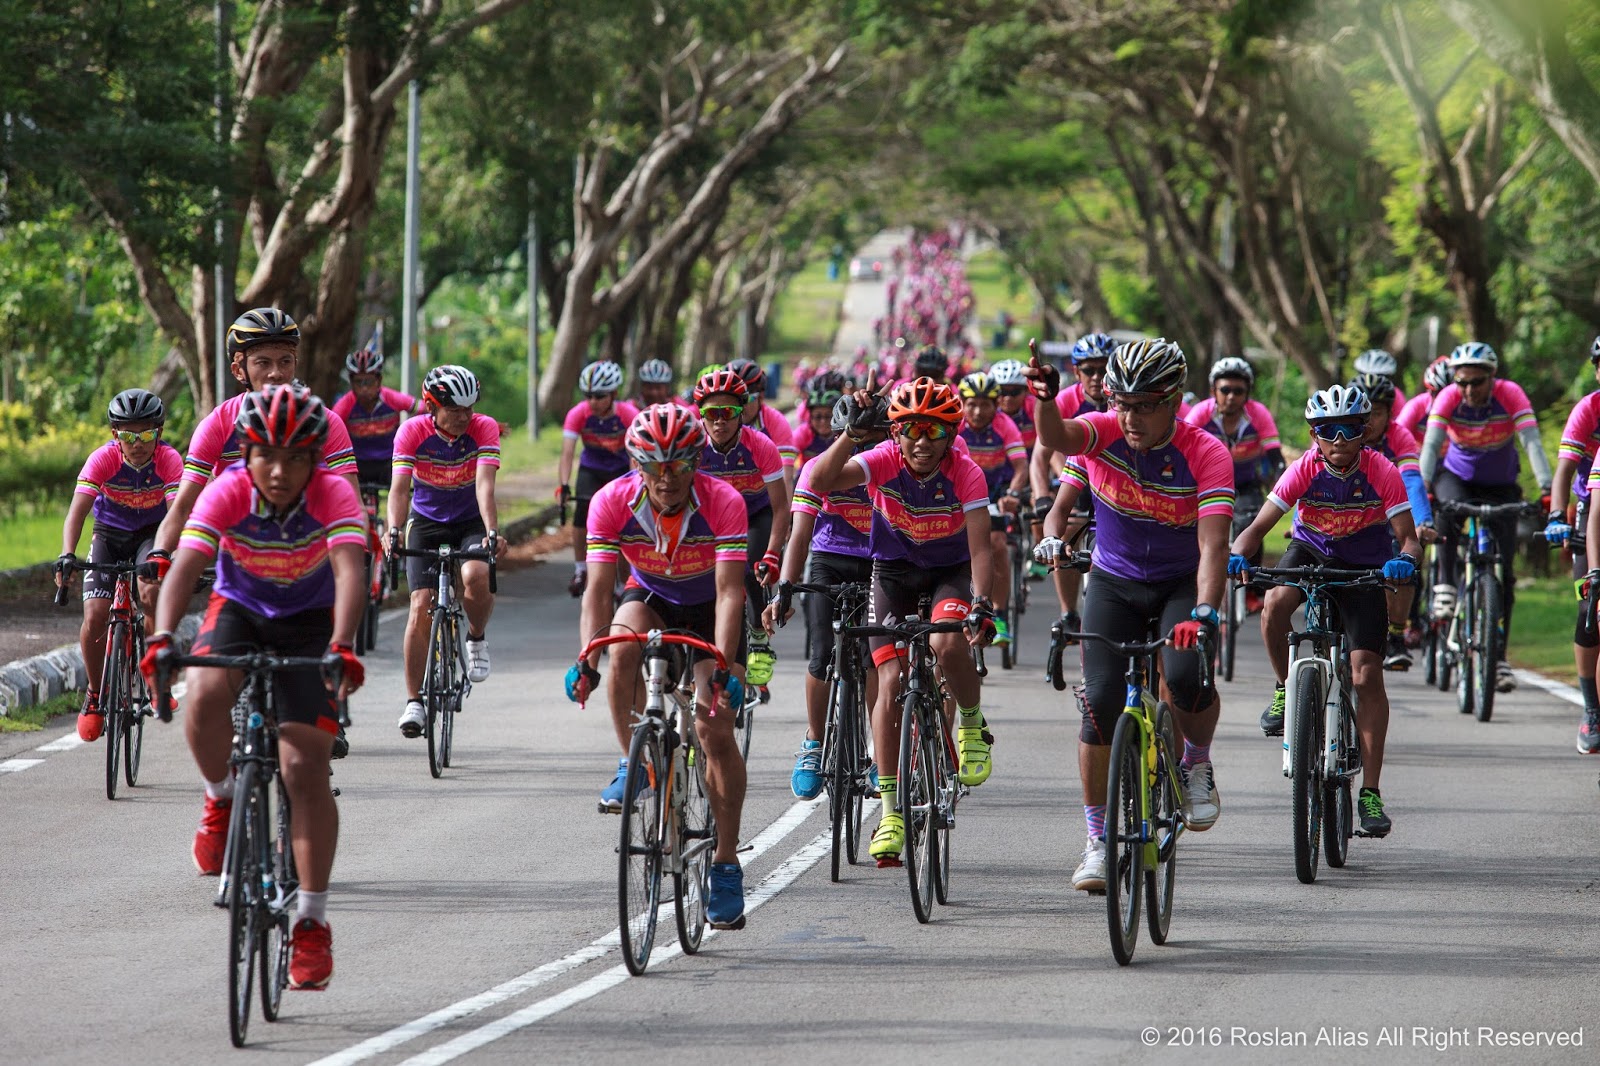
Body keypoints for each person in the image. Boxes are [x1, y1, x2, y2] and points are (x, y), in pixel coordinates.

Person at [141, 384, 366, 990]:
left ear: (315, 460)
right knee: (206, 693)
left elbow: (350, 572)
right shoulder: (227, 490)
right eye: (268, 454)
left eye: (297, 458)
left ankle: (312, 925)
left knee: (303, 769)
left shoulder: (335, 495)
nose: (281, 470)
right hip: (240, 607)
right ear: (247, 453)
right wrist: (163, 636)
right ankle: (220, 796)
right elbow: (186, 569)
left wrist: (342, 644)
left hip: (312, 623)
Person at [1028, 338, 1231, 891]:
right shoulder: (1105, 431)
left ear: (1175, 401)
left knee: (1186, 676)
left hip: (1179, 585)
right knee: (1097, 705)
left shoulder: (1206, 452)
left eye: (1146, 405)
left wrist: (1207, 611)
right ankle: (1097, 840)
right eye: (1123, 403)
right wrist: (1046, 399)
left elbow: (1214, 547)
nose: (1132, 417)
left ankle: (1196, 761)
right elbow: (1057, 437)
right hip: (1114, 583)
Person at [565, 405, 752, 929]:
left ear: (697, 461)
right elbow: (599, 592)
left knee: (713, 727)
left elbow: (729, 591)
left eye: (678, 466)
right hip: (650, 595)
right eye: (653, 465)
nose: (666, 479)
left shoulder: (724, 502)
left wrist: (720, 666)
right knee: (621, 645)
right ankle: (635, 763)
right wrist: (587, 658)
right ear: (635, 463)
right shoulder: (610, 502)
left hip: (711, 609)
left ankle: (727, 862)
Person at [805, 376, 997, 865]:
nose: (921, 442)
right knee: (888, 682)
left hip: (949, 572)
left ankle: (971, 725)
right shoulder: (883, 460)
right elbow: (820, 481)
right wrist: (852, 433)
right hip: (892, 572)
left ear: (950, 436)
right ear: (895, 433)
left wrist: (982, 603)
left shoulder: (966, 473)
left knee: (949, 647)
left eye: (933, 432)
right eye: (910, 430)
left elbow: (980, 548)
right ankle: (891, 813)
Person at [1231, 384, 1421, 838]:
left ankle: (1370, 793)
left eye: (1349, 429)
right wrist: (1238, 554)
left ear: (1364, 433)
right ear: (1314, 435)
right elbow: (1257, 528)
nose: (1339, 440)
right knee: (1275, 602)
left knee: (1365, 675)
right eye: (1327, 431)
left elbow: (1410, 538)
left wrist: (1405, 560)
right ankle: (1283, 689)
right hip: (1310, 550)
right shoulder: (1303, 469)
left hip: (1364, 560)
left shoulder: (1382, 470)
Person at [152, 308, 359, 558]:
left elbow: (351, 503)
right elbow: (183, 507)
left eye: (285, 361)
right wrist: (159, 553)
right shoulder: (217, 424)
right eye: (263, 362)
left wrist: (357, 550)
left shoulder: (328, 422)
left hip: (305, 546)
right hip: (237, 547)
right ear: (239, 370)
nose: (276, 373)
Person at [764, 395, 890, 799]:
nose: (859, 448)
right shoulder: (817, 470)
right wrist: (785, 587)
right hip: (829, 561)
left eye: (871, 439)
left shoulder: (888, 467)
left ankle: (878, 752)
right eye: (849, 437)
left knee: (875, 656)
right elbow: (799, 534)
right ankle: (814, 743)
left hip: (878, 563)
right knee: (821, 653)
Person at [1419, 342, 1551, 693]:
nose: (1468, 390)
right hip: (1457, 478)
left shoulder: (1511, 395)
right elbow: (1431, 447)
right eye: (1462, 382)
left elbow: (1532, 442)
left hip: (1500, 484)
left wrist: (1548, 489)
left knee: (1504, 575)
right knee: (1446, 509)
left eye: (1476, 382)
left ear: (1492, 378)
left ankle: (1500, 657)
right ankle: (1446, 584)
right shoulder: (1448, 397)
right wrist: (1424, 488)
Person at [58, 389, 183, 742]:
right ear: (116, 436)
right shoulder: (102, 459)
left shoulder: (170, 460)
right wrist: (68, 554)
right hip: (109, 535)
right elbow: (77, 512)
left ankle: (157, 676)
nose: (138, 443)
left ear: (158, 433)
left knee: (152, 590)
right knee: (96, 615)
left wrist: (169, 553)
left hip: (151, 534)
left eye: (145, 434)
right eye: (128, 435)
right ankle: (95, 695)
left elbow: (178, 512)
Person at [390, 366, 506, 737]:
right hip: (425, 522)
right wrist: (392, 530)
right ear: (431, 406)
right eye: (455, 409)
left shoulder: (483, 428)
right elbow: (399, 490)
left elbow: (484, 487)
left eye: (469, 408)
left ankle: (475, 637)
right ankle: (414, 702)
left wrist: (491, 532)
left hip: (469, 519)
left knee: (475, 575)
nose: (464, 417)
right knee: (420, 603)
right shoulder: (411, 431)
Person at [693, 368, 791, 695]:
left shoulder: (760, 446)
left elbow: (781, 509)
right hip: (711, 520)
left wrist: (773, 556)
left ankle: (759, 639)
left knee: (750, 567)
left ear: (742, 414)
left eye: (729, 413)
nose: (720, 421)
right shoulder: (692, 448)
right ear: (701, 416)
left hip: (755, 515)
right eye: (712, 414)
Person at [1030, 332, 1114, 637]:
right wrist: (1042, 498)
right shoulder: (1065, 399)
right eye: (1088, 370)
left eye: (1103, 368)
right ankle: (1069, 612)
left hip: (1115, 487)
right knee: (1063, 531)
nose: (1096, 376)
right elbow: (1041, 456)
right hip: (1075, 479)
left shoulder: (1122, 402)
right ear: (1076, 372)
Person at [1185, 356, 1284, 611]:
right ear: (1213, 391)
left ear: (1247, 393)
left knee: (1253, 523)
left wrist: (1280, 477)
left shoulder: (1258, 414)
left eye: (1238, 391)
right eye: (1225, 390)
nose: (1231, 396)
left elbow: (1274, 453)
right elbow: (1182, 449)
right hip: (1205, 484)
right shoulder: (1199, 414)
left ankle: (1251, 589)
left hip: (1245, 483)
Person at [1351, 372, 1434, 673]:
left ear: (1389, 414)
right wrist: (1298, 522)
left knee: (1403, 564)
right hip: (1345, 515)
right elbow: (1309, 477)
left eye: (1378, 412)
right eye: (1366, 412)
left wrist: (1423, 521)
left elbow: (1412, 479)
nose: (1371, 420)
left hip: (1388, 511)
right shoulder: (1341, 434)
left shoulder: (1400, 436)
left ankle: (1396, 633)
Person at [1549, 336, 1600, 753]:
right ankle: (1591, 709)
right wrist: (1555, 515)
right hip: (1591, 507)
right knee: (1590, 608)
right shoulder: (1588, 408)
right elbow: (1565, 468)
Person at [957, 371, 1028, 646]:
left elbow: (1021, 467)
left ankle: (998, 614)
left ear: (995, 405)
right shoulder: (956, 425)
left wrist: (1012, 493)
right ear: (962, 404)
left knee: (997, 544)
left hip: (994, 495)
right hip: (960, 495)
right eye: (972, 403)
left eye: (985, 404)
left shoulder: (1004, 424)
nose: (978, 411)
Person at [558, 362, 639, 598]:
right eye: (588, 396)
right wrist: (564, 485)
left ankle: (626, 582)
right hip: (592, 468)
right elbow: (567, 453)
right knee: (582, 509)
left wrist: (634, 484)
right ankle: (580, 569)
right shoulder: (578, 414)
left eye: (600, 396)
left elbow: (636, 454)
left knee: (626, 523)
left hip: (621, 469)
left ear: (613, 394)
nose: (593, 401)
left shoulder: (628, 414)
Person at [331, 342, 423, 492]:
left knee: (402, 491)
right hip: (357, 464)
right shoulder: (345, 405)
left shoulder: (390, 397)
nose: (364, 388)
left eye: (369, 382)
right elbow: (329, 430)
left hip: (389, 463)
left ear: (379, 381)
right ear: (351, 383)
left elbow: (422, 408)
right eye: (358, 382)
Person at [728, 358, 798, 484]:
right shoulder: (714, 422)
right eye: (732, 400)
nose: (739, 407)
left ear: (761, 397)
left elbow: (785, 479)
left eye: (745, 400)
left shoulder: (775, 422)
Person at [792, 370, 848, 469]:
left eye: (828, 416)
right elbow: (786, 462)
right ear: (810, 417)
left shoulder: (847, 434)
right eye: (817, 417)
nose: (823, 422)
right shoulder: (803, 432)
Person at [1397, 356, 1450, 440]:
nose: (1441, 400)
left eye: (1448, 395)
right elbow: (1397, 435)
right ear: (1429, 391)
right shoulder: (1416, 405)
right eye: (1436, 394)